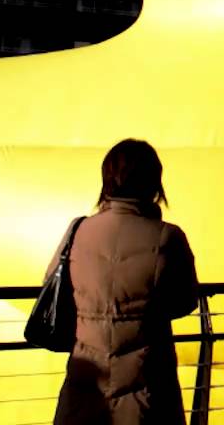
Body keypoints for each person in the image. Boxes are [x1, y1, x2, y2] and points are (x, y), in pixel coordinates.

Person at [52, 139, 199, 425]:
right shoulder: (168, 237)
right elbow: (185, 301)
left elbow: (54, 283)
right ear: (154, 182)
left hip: (86, 380)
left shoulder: (78, 230)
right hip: (147, 383)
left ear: (106, 180)